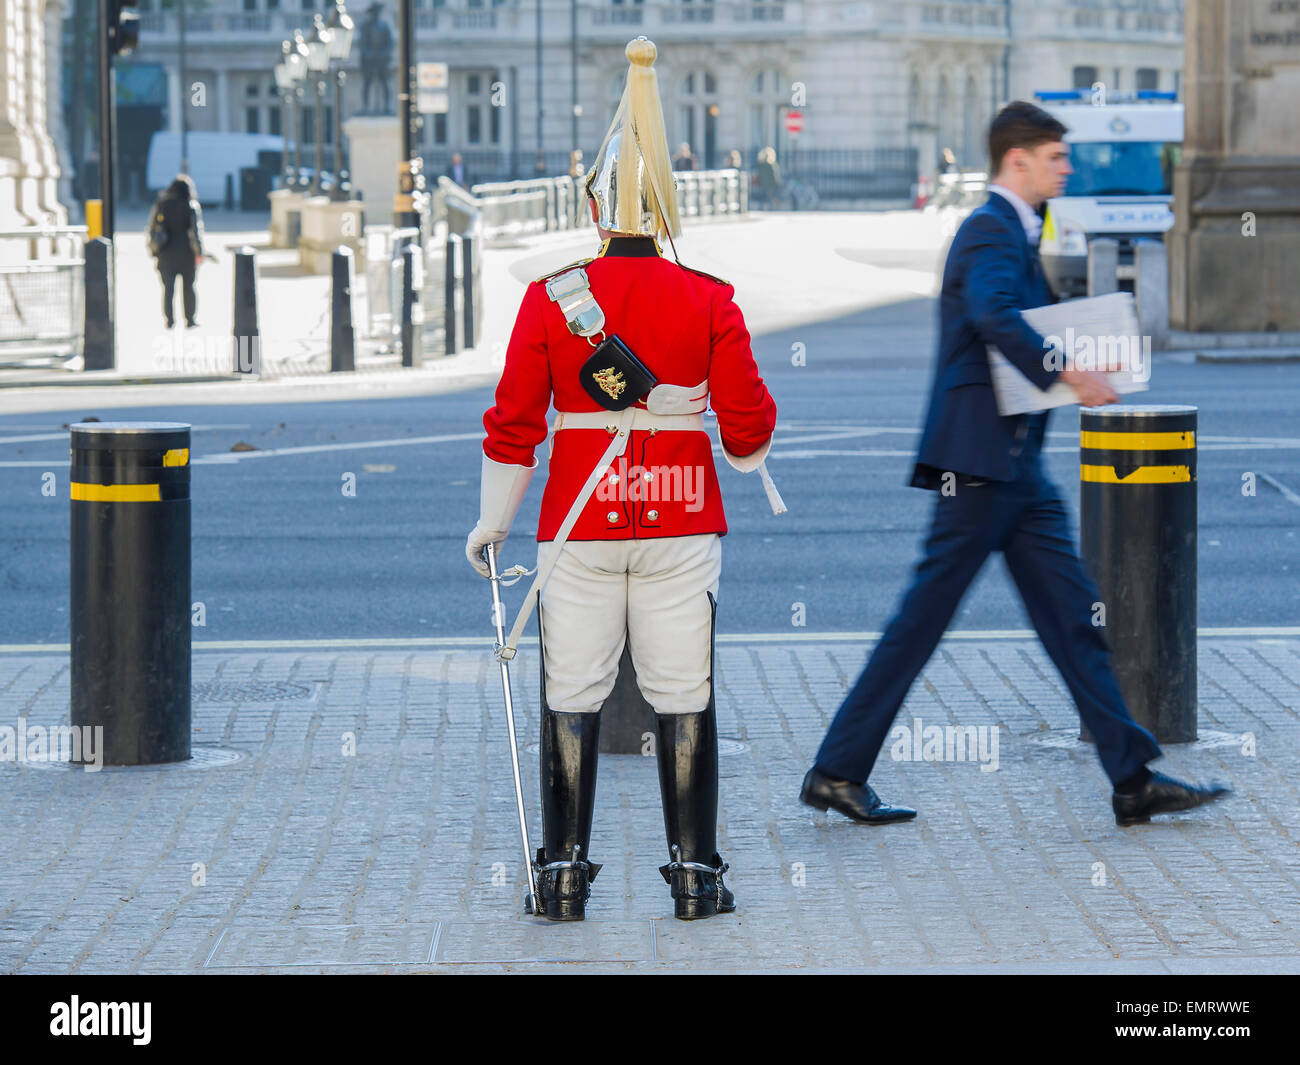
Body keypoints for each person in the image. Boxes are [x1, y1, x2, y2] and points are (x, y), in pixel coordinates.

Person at [800, 101, 1229, 829]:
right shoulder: (989, 230)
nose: (1067, 166)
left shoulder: (1016, 232)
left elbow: (1017, 321)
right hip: (978, 468)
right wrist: (1075, 373)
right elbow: (997, 316)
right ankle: (837, 769)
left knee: (1073, 620)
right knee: (921, 624)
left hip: (1013, 468)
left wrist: (1080, 361)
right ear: (1017, 160)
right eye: (1056, 156)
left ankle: (1133, 778)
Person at [466, 36, 779, 922]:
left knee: (572, 693)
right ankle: (696, 878)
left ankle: (562, 876)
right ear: (669, 205)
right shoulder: (710, 298)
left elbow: (515, 425)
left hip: (580, 525)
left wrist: (493, 522)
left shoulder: (550, 297)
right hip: (681, 522)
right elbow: (750, 434)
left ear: (597, 205)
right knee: (686, 693)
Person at [148, 175, 206, 329]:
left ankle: (170, 320)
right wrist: (199, 252)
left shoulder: (162, 204)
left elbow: (152, 227)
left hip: (166, 252)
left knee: (168, 289)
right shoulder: (190, 206)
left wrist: (153, 249)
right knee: (189, 287)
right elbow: (195, 232)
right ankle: (190, 319)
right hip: (186, 253)